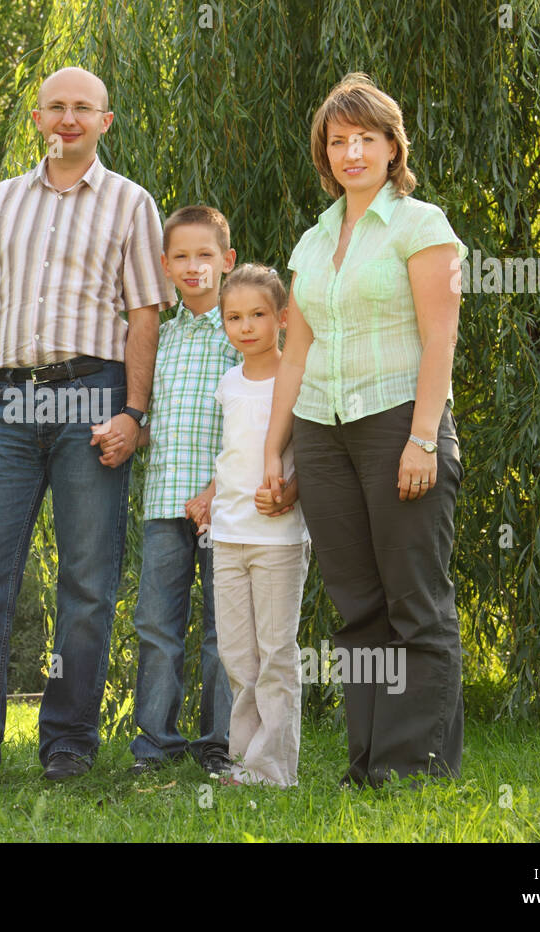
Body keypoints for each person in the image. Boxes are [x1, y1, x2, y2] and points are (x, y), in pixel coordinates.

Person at [0, 66, 174, 791]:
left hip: (92, 399)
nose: (68, 119)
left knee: (87, 585)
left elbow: (145, 315)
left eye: (82, 109)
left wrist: (133, 411)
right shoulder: (0, 202)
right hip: (9, 402)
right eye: (56, 108)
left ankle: (68, 744)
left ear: (105, 121)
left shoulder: (131, 204)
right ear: (37, 119)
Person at [259, 72, 467, 789]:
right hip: (322, 433)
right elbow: (296, 354)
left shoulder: (421, 225)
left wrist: (422, 437)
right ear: (325, 152)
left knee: (414, 601)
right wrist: (275, 451)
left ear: (391, 147)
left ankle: (414, 768)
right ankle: (367, 765)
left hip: (397, 423)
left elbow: (441, 340)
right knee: (357, 607)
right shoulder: (313, 241)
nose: (352, 152)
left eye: (366, 139)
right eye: (338, 140)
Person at [125, 207, 300, 778]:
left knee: (226, 634)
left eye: (205, 255)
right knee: (156, 622)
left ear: (226, 261)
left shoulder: (238, 333)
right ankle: (155, 743)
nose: (193, 266)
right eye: (181, 256)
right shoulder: (160, 336)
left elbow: (249, 427)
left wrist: (212, 489)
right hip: (163, 499)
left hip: (224, 506)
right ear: (165, 265)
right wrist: (130, 432)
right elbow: (165, 415)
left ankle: (220, 745)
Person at [207, 264, 311, 786]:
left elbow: (314, 456)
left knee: (276, 656)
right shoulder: (227, 383)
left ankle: (273, 770)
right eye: (233, 317)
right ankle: (244, 760)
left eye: (257, 315)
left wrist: (290, 493)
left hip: (278, 538)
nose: (245, 326)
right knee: (237, 657)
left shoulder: (299, 379)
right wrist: (209, 497)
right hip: (226, 538)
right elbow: (229, 454)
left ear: (283, 318)